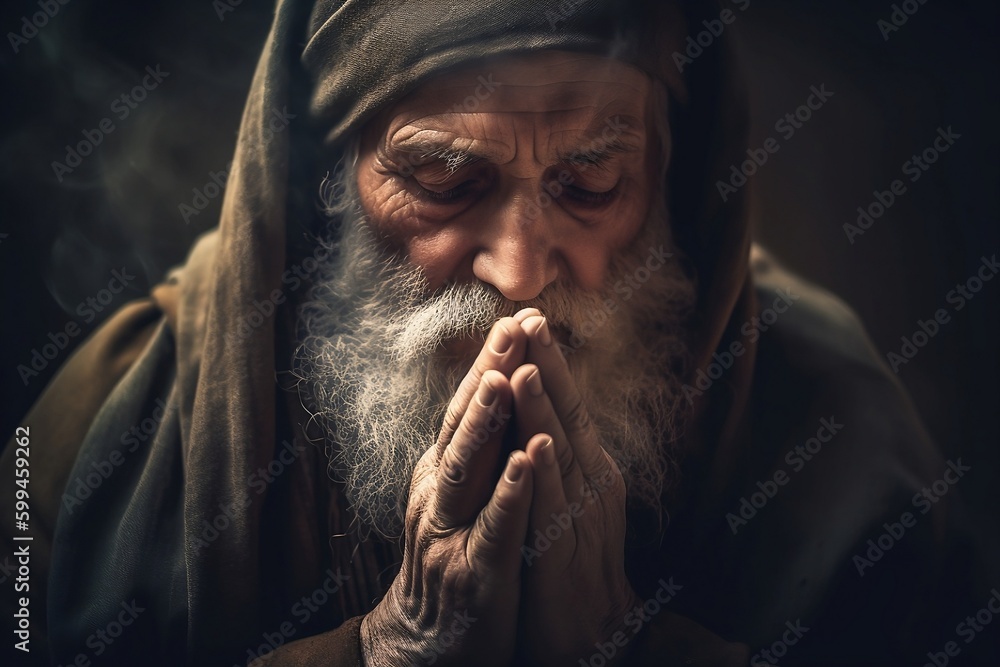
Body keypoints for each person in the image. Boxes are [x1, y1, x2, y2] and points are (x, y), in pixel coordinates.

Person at [0, 1, 985, 665]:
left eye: (591, 184)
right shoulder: (105, 430)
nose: (519, 271)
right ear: (319, 189)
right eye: (440, 180)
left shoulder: (845, 445)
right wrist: (380, 649)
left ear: (672, 189)